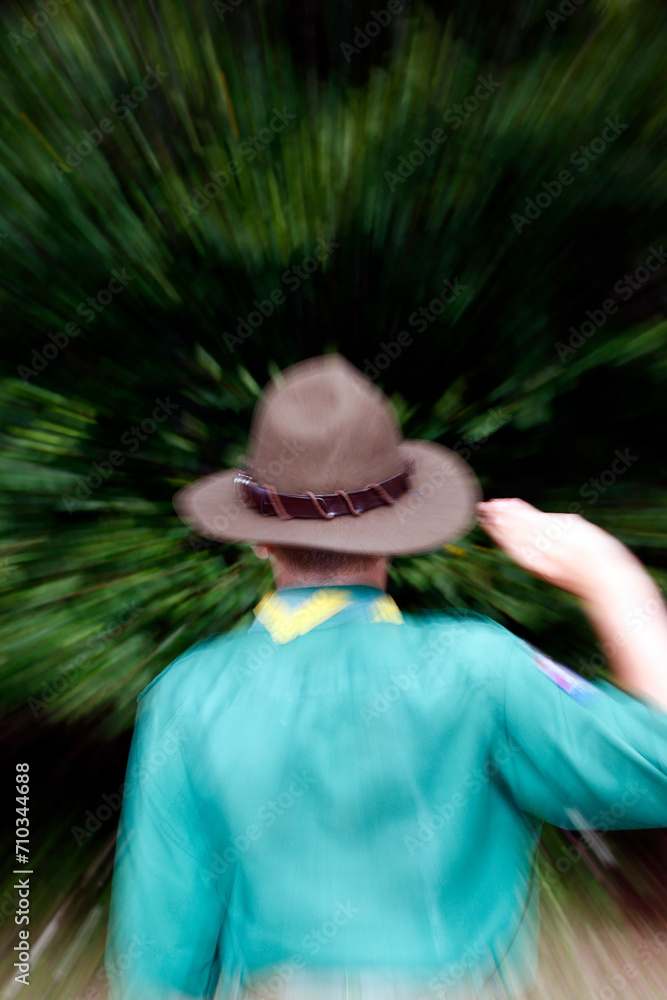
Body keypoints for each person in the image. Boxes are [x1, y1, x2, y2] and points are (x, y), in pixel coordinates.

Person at [104, 354, 667, 1000]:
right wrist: (609, 575)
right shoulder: (479, 668)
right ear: (395, 534)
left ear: (257, 538)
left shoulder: (186, 696)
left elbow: (160, 956)